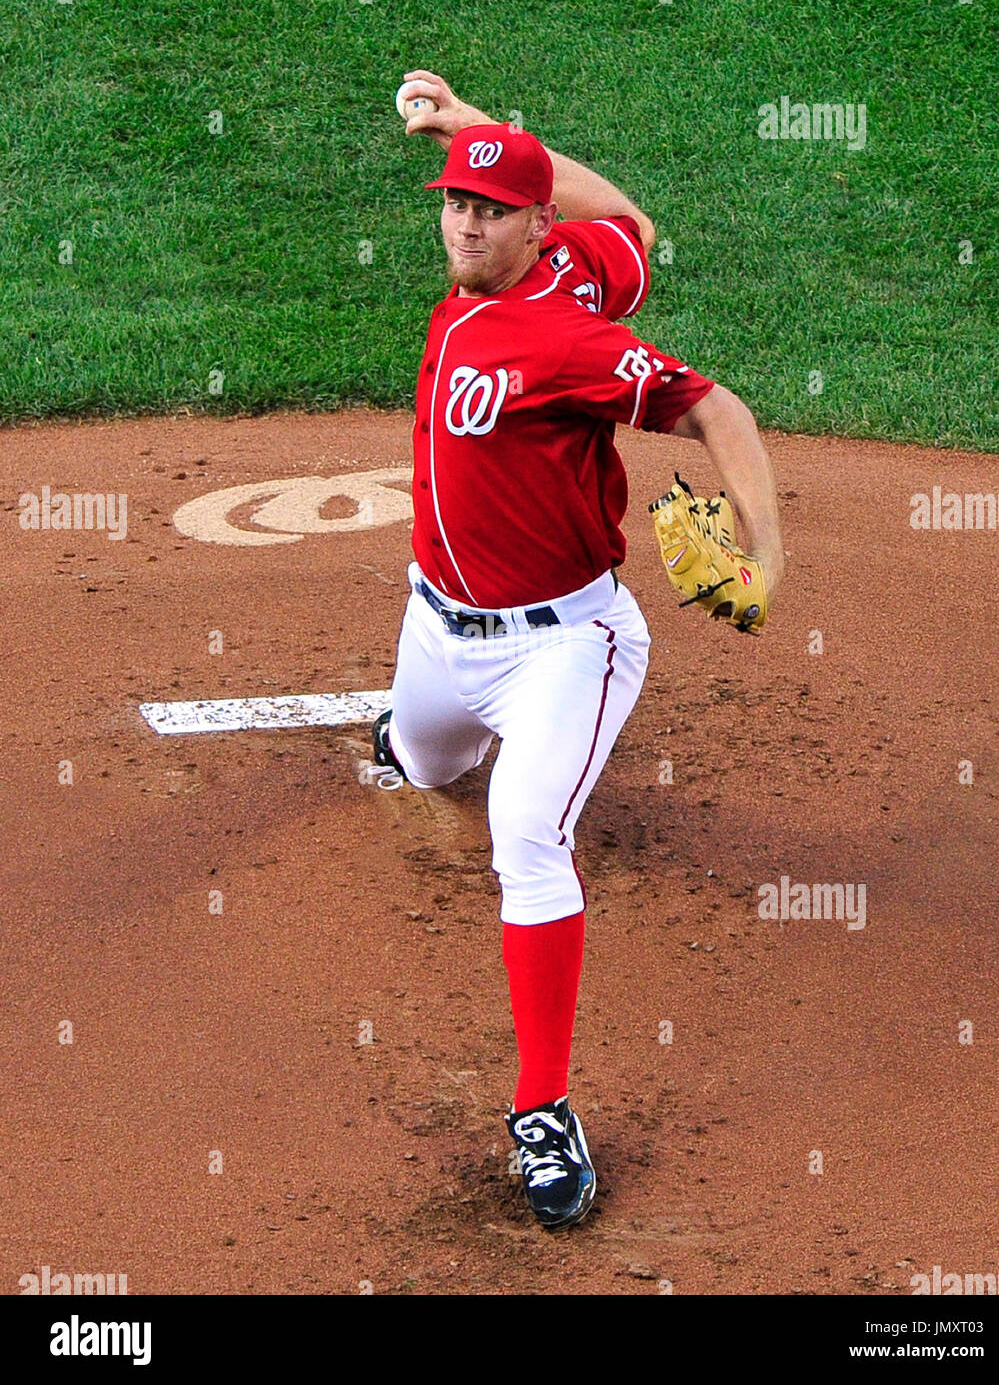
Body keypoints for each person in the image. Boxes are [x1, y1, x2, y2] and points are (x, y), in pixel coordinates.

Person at [369, 71, 784, 1230]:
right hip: (434, 627)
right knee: (421, 760)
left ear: (530, 224)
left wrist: (765, 558)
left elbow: (719, 410)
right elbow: (632, 227)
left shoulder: (560, 334)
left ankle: (541, 1109)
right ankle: (421, 734)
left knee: (526, 839)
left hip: (561, 647)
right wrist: (474, 133)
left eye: (490, 209)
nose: (464, 224)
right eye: (455, 202)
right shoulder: (575, 257)